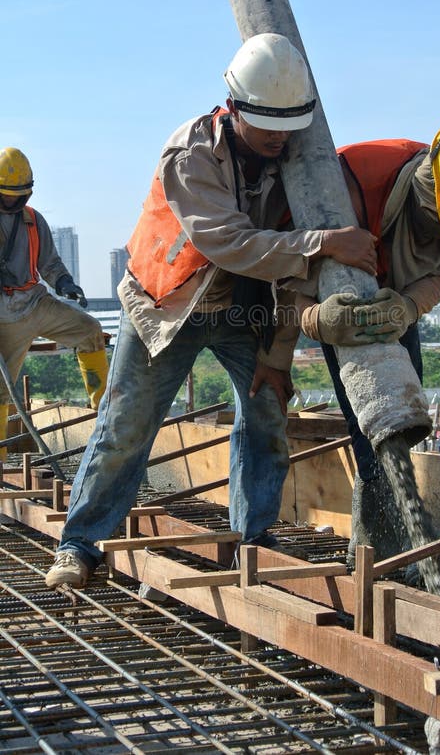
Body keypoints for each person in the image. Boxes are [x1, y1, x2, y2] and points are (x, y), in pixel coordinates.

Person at [45, 32, 377, 589]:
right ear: (235, 107)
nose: (278, 138)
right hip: (168, 305)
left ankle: (253, 539)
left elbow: (297, 277)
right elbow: (232, 243)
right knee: (127, 424)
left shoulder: (297, 163)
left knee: (267, 408)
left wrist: (276, 355)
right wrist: (322, 243)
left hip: (242, 308)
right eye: (267, 125)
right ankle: (79, 544)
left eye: (288, 126)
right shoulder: (191, 155)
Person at [298, 122, 440, 565]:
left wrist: (408, 308)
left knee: (402, 419)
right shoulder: (354, 177)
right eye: (438, 217)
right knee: (368, 429)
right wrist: (314, 318)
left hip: (395, 299)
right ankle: (373, 554)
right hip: (340, 306)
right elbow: (289, 259)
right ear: (430, 182)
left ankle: (395, 553)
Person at [0, 147, 108, 458]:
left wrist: (64, 283)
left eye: (18, 195)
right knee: (1, 390)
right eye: (7, 195)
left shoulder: (33, 220)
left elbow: (50, 262)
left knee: (90, 331)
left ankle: (103, 412)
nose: (12, 200)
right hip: (4, 315)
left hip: (37, 302)